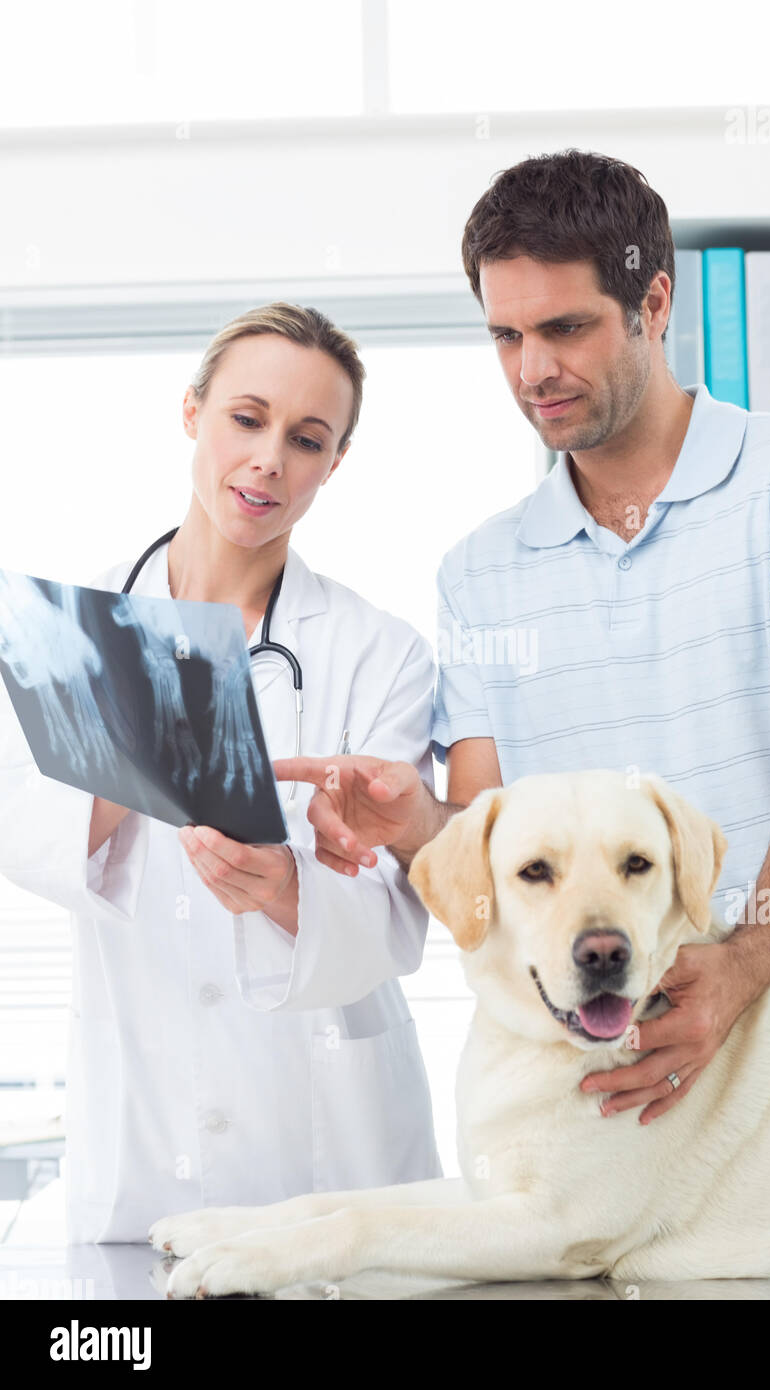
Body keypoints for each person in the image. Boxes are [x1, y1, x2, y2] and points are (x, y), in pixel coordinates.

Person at [275, 151, 770, 1130]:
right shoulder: (480, 572)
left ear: (651, 303)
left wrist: (736, 970)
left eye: (565, 327)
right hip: (618, 1109)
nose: (533, 369)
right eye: (505, 335)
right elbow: (493, 846)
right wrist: (411, 824)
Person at [0, 302, 441, 1244]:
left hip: (336, 1161)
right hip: (147, 1144)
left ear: (335, 462)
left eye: (307, 438)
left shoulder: (380, 653)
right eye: (246, 418)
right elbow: (21, 831)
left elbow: (400, 922)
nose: (270, 460)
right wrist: (140, 755)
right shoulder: (79, 633)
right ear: (192, 412)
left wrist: (291, 893)